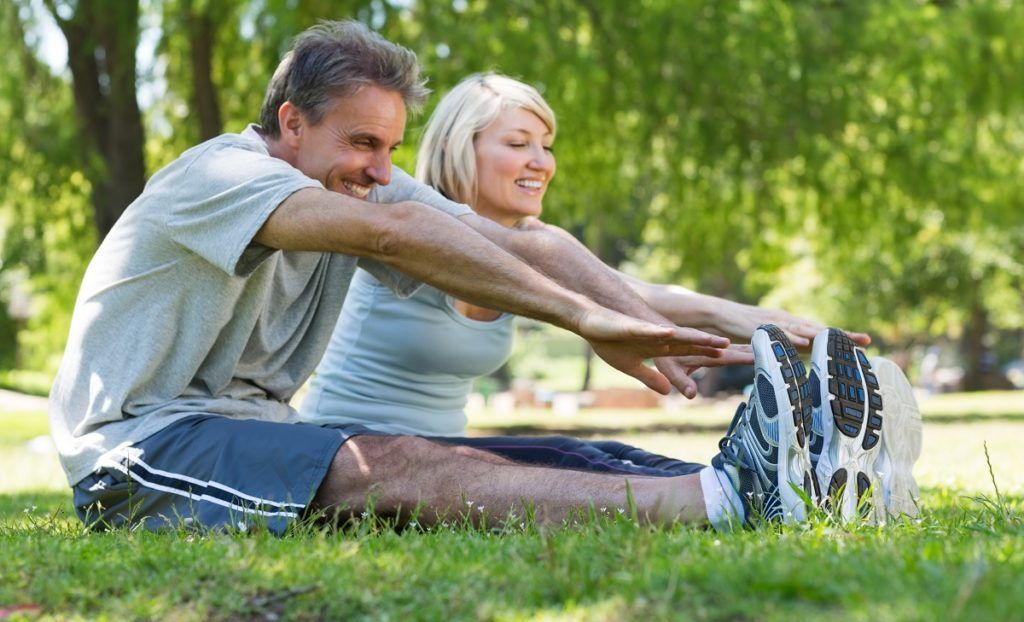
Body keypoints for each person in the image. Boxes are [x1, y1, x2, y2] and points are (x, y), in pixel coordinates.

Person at [50, 21, 800, 535]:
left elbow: (518, 243)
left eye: (391, 147)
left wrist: (630, 314)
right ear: (291, 122)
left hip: (257, 433)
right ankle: (731, 503)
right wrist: (583, 319)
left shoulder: (357, 181)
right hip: (137, 454)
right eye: (364, 142)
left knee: (545, 453)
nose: (381, 170)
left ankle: (770, 477)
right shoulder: (218, 175)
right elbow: (395, 234)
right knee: (398, 465)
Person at [299, 74, 863, 479]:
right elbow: (588, 292)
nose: (541, 161)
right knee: (583, 465)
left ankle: (793, 476)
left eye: (545, 146)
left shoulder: (532, 246)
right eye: (518, 144)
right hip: (361, 458)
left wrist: (757, 321)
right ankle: (755, 486)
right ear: (457, 148)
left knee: (621, 457)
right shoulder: (411, 229)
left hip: (447, 449)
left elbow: (630, 293)